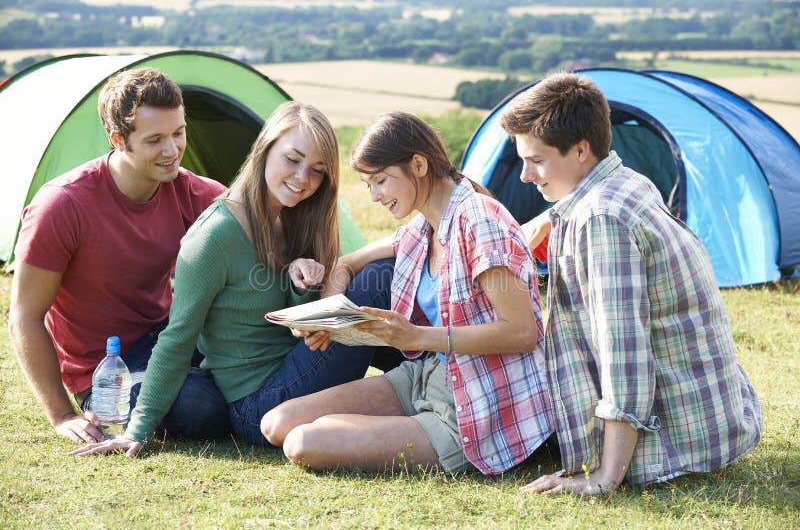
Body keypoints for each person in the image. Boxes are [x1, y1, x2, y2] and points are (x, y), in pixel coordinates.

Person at [70, 101, 402, 458]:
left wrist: (301, 288)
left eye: (318, 170)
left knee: (383, 278)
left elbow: (295, 328)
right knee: (379, 278)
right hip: (258, 403)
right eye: (292, 159)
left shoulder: (292, 217)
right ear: (265, 149)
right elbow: (178, 338)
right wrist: (139, 427)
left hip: (295, 366)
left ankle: (435, 382)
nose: (303, 179)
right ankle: (441, 384)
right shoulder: (215, 235)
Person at [499, 72, 762, 494]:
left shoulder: (601, 221)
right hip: (715, 418)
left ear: (581, 149)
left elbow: (625, 354)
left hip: (676, 440)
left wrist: (604, 478)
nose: (526, 176)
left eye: (537, 160)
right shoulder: (624, 181)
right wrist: (544, 222)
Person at [260, 112, 554, 476]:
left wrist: (416, 336)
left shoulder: (480, 221)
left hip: (478, 404)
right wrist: (327, 318)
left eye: (380, 181)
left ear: (417, 164)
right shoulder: (423, 228)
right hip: (427, 376)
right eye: (369, 184)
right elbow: (345, 264)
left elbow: (522, 332)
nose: (374, 196)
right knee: (276, 423)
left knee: (302, 443)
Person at [9, 68, 230, 445]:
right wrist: (61, 414)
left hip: (168, 337)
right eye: (154, 140)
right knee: (202, 411)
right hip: (106, 369)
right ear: (117, 139)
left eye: (178, 133)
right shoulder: (62, 205)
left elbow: (261, 234)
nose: (172, 150)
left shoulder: (195, 193)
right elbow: (24, 317)